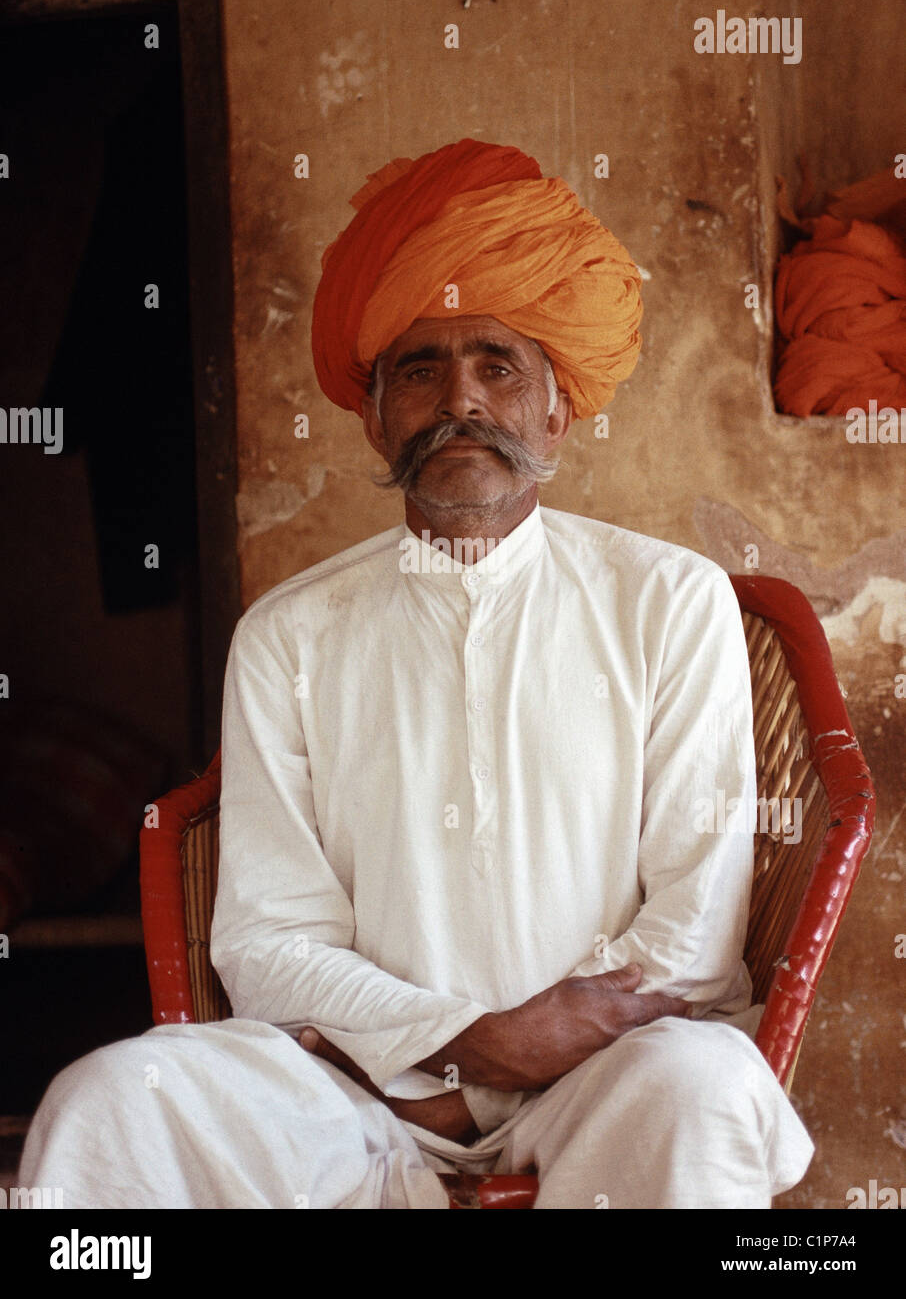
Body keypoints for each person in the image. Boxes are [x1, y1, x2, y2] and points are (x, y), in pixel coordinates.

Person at [19, 138, 813, 1209]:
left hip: (604, 1073)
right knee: (110, 1101)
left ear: (557, 408)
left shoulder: (667, 601)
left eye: (496, 363)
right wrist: (452, 1053)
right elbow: (269, 938)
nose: (461, 402)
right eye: (420, 368)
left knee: (705, 1088)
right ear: (373, 413)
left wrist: (504, 1068)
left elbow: (693, 926)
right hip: (358, 1086)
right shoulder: (288, 634)